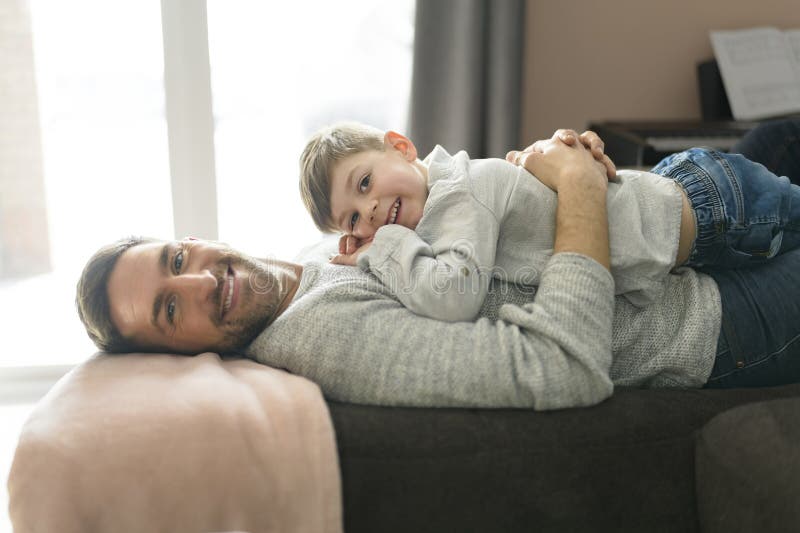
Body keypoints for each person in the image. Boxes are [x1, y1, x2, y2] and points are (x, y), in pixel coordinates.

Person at [76, 120, 800, 411]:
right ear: (174, 354)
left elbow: (471, 208)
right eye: (173, 308)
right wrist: (576, 184)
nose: (201, 279)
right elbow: (560, 367)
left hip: (670, 209)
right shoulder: (323, 336)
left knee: (773, 137)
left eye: (178, 258)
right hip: (704, 316)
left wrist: (539, 161)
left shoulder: (317, 255)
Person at [298, 121, 800, 321]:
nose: (369, 215)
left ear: (402, 148)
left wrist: (379, 250)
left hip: (714, 211)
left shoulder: (458, 195)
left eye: (364, 184)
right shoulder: (444, 208)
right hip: (690, 208)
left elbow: (454, 296)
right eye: (352, 222)